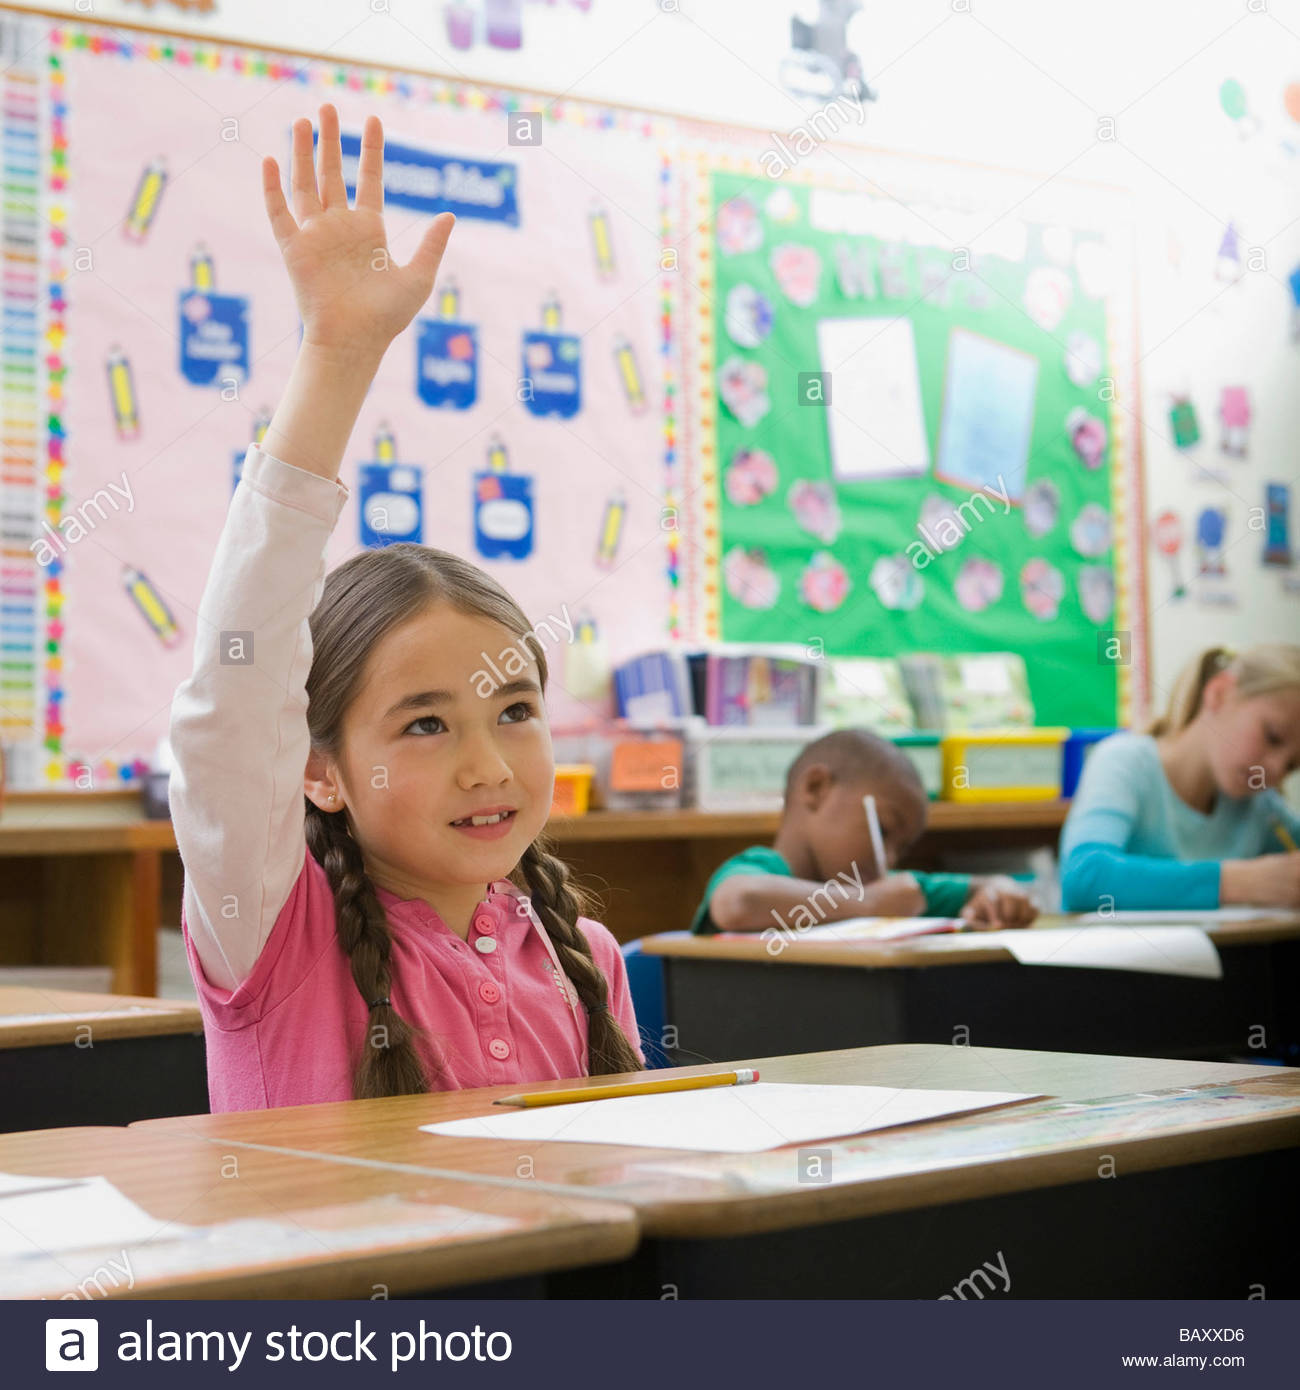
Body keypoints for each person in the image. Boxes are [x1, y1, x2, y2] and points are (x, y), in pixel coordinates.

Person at [169, 105, 641, 1111]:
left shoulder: (584, 956)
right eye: (424, 723)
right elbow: (233, 698)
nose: (487, 764)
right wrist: (337, 358)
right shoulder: (271, 928)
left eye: (514, 710)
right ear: (318, 767)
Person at [690, 729, 1039, 935]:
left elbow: (980, 886)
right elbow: (737, 903)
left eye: (900, 848)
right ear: (816, 788)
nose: (886, 858)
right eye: (884, 830)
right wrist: (871, 904)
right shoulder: (763, 868)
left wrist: (998, 892)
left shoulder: (881, 885)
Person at [1060, 644, 1300, 910]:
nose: (1277, 771)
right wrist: (1237, 882)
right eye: (1273, 736)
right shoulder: (1124, 762)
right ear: (1219, 694)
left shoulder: (1262, 805)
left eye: (1292, 765)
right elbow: (1084, 877)